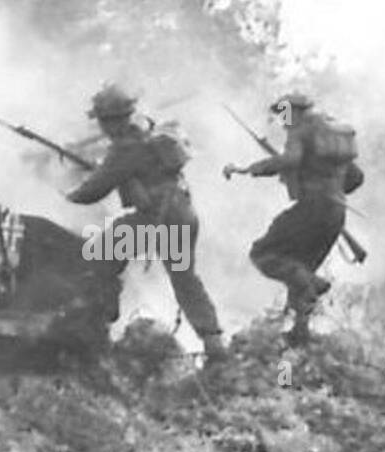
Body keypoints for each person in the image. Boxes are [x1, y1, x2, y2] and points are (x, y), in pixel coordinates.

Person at [65, 85, 227, 363]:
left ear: (111, 120)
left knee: (101, 251)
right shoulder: (150, 131)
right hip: (183, 213)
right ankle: (213, 341)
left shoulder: (125, 149)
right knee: (185, 279)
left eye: (103, 120)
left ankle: (98, 322)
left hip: (155, 220)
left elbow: (91, 192)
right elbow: (135, 171)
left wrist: (68, 194)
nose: (101, 126)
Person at [224, 92, 359, 346]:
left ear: (295, 111)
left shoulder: (301, 132)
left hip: (312, 208)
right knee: (301, 265)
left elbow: (290, 159)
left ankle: (313, 285)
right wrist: (326, 181)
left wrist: (252, 168)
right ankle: (300, 332)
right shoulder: (334, 135)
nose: (283, 120)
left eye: (284, 113)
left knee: (263, 253)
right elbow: (355, 178)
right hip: (335, 211)